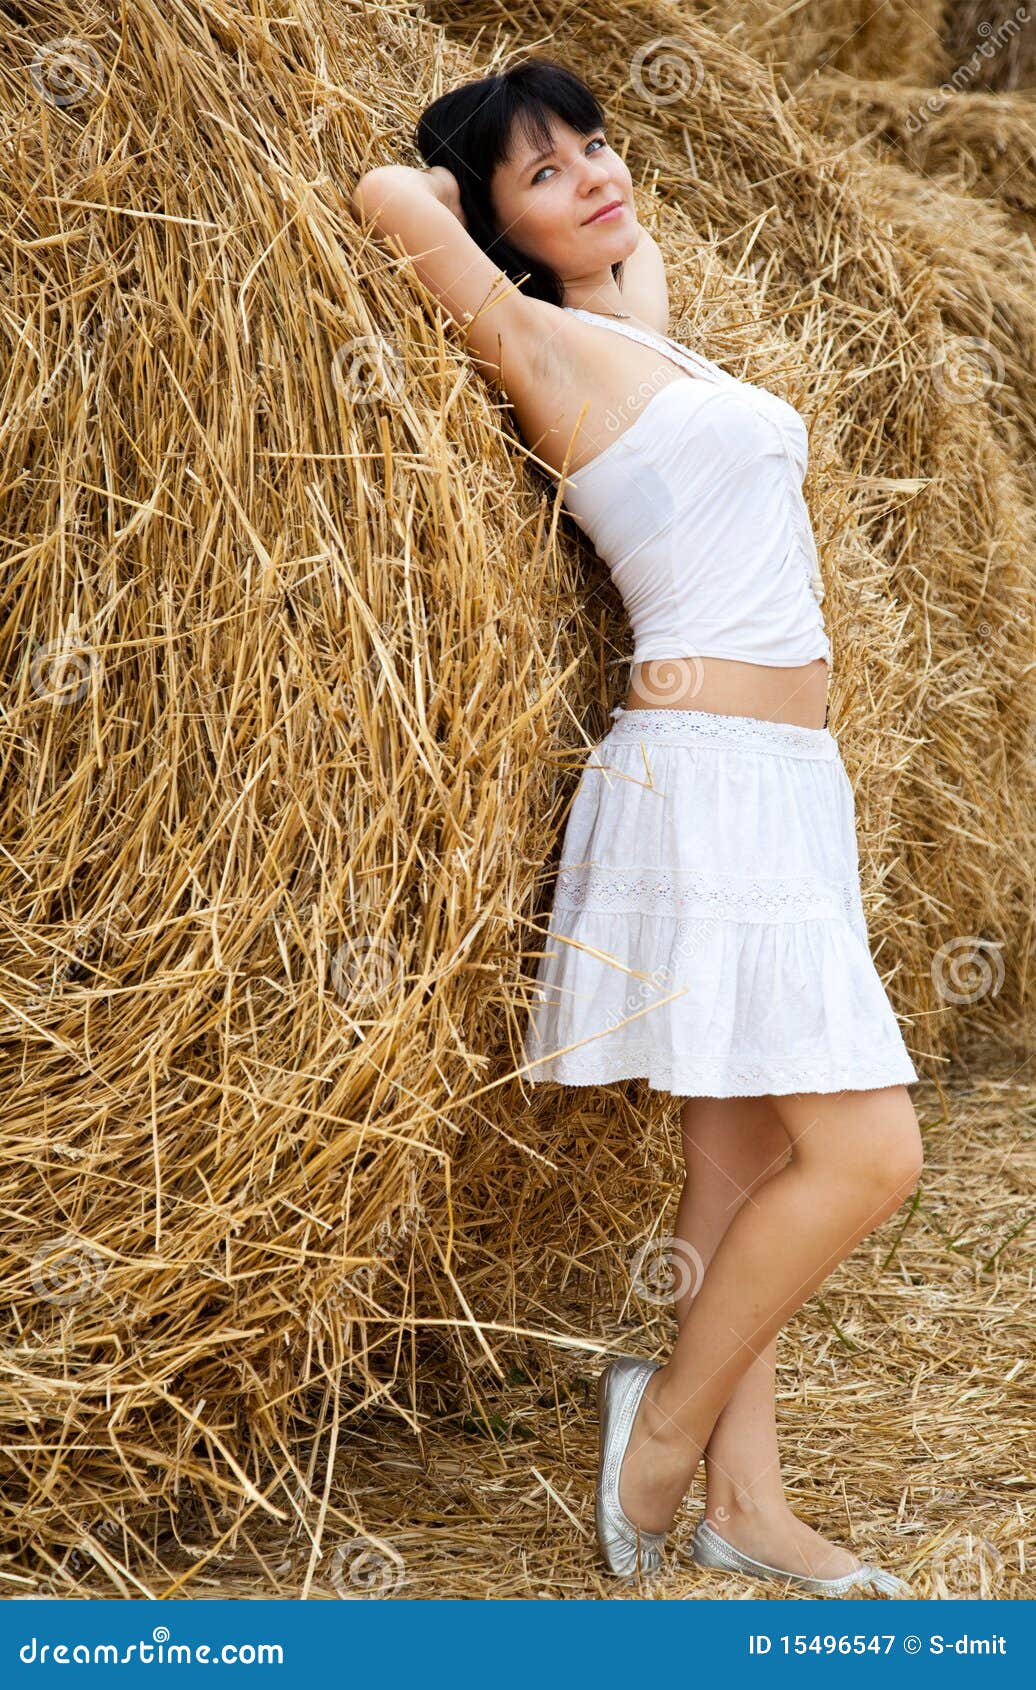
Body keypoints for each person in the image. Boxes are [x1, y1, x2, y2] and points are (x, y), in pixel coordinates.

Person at [349, 56, 923, 1593]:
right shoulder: (537, 342)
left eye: (597, 146)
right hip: (702, 780)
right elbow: (388, 193)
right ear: (501, 222)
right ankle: (660, 1435)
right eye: (547, 171)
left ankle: (750, 1499)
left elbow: (657, 397)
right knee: (874, 1155)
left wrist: (605, 267)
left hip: (790, 787)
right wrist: (488, 225)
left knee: (733, 1169)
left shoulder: (638, 351)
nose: (596, 175)